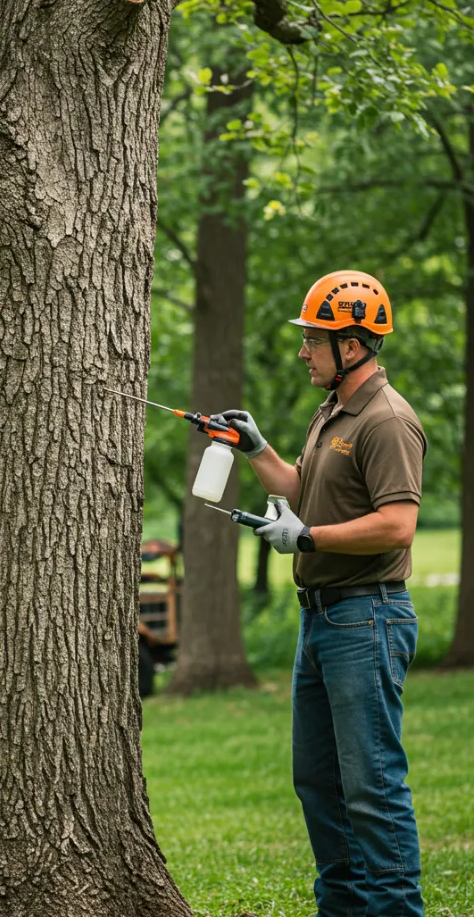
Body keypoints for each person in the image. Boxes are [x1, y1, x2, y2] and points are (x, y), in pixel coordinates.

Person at [218, 270, 426, 917]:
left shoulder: (387, 421)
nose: (305, 350)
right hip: (323, 625)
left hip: (367, 619)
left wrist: (308, 539)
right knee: (318, 784)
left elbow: (397, 525)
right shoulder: (333, 409)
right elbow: (303, 484)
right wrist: (256, 449)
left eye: (315, 339)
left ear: (355, 345)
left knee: (372, 790)